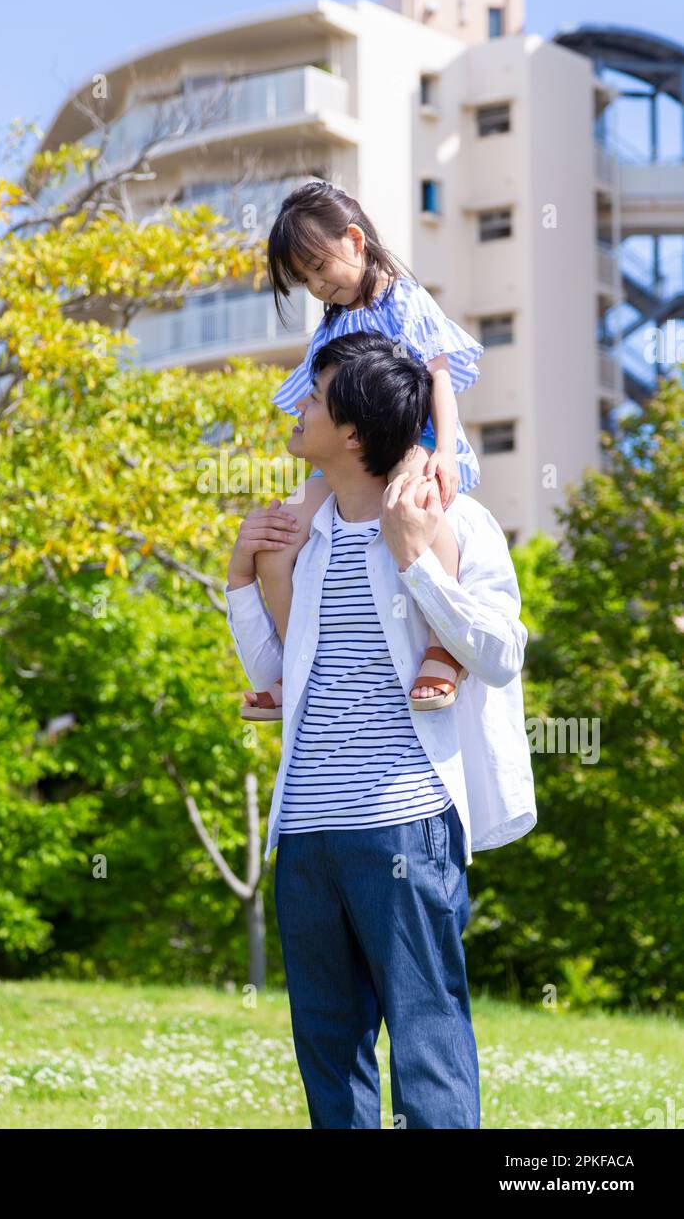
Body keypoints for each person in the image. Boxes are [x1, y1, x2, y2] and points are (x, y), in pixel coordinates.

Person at [224, 330, 536, 1129]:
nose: (296, 406)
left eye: (316, 396)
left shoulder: (455, 521)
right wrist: (240, 581)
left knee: (427, 1047)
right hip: (306, 831)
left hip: (404, 822)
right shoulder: (308, 536)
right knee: (330, 1057)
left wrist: (416, 562)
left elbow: (501, 653)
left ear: (356, 432)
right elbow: (277, 676)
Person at [242, 179, 484, 721]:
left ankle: (444, 649)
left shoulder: (404, 299)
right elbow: (313, 404)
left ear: (354, 240)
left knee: (415, 508)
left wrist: (441, 451)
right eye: (304, 280)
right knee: (278, 543)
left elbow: (438, 376)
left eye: (319, 268)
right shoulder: (333, 324)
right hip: (353, 455)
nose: (316, 286)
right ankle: (296, 666)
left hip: (412, 440)